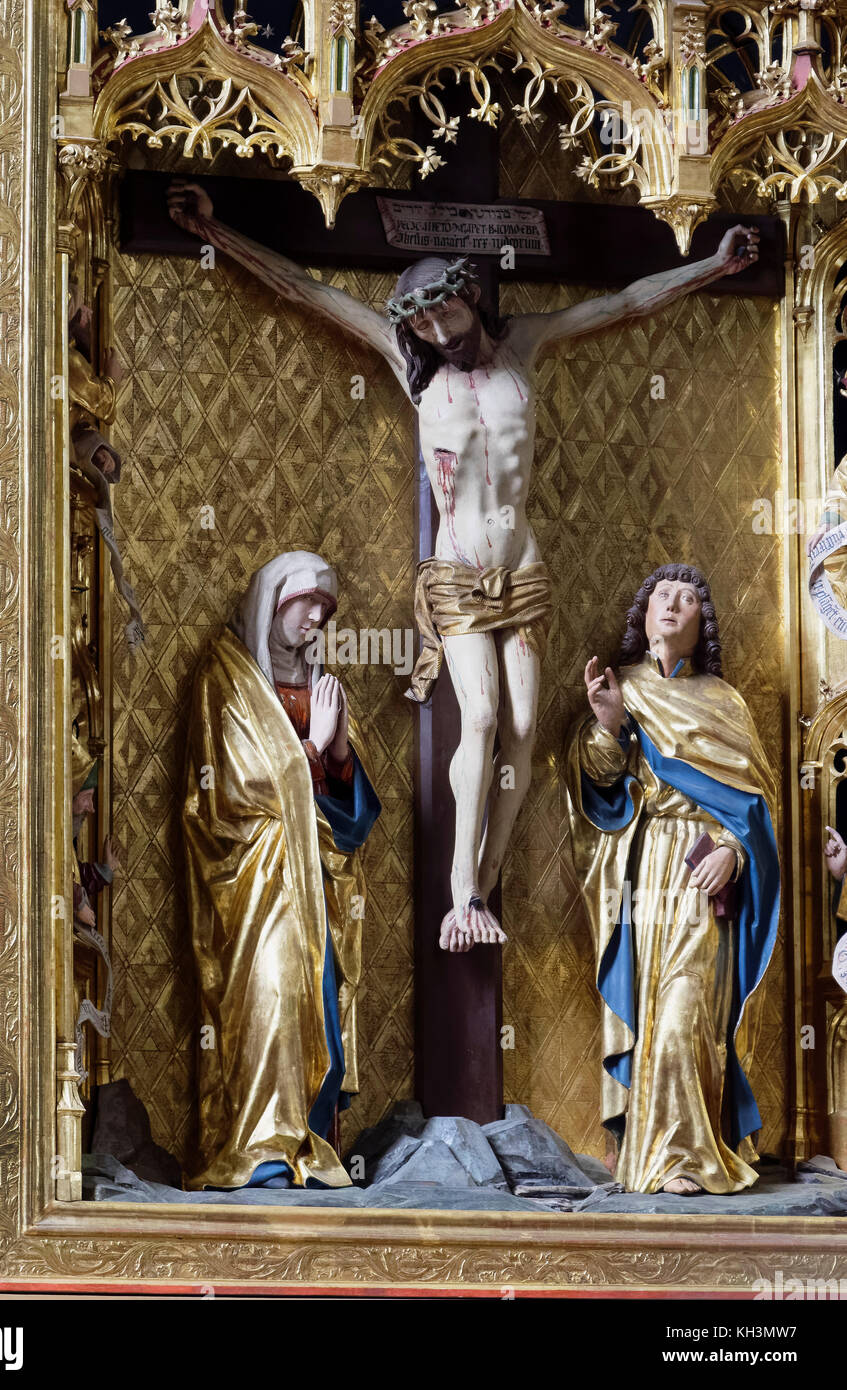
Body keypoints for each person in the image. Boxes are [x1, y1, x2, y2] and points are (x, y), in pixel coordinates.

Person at [168, 176, 760, 953]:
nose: (435, 330)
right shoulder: (413, 368)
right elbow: (306, 290)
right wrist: (217, 234)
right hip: (455, 575)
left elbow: (621, 306)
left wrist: (710, 269)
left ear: (470, 296)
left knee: (519, 728)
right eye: (418, 321)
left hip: (523, 571)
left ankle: (483, 880)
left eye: (442, 311)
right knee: (478, 715)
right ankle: (457, 893)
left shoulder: (526, 345)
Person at [565, 563, 780, 1194]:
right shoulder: (623, 687)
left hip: (701, 865)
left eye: (687, 600)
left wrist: (735, 852)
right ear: (645, 612)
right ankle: (652, 1151)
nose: (673, 605)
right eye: (663, 595)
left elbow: (758, 804)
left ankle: (687, 1153)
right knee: (654, 1011)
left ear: (700, 625)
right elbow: (601, 789)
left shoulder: (725, 702)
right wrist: (606, 725)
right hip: (646, 866)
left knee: (689, 1009)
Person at [182, 551, 380, 1189]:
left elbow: (350, 821)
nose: (316, 617)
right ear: (272, 600)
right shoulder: (227, 675)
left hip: (315, 880)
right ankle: (260, 1146)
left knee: (313, 1001)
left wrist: (341, 752)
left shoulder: (323, 690)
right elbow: (237, 785)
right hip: (257, 876)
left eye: (326, 609)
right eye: (306, 603)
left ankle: (309, 1138)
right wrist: (315, 746)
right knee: (267, 991)